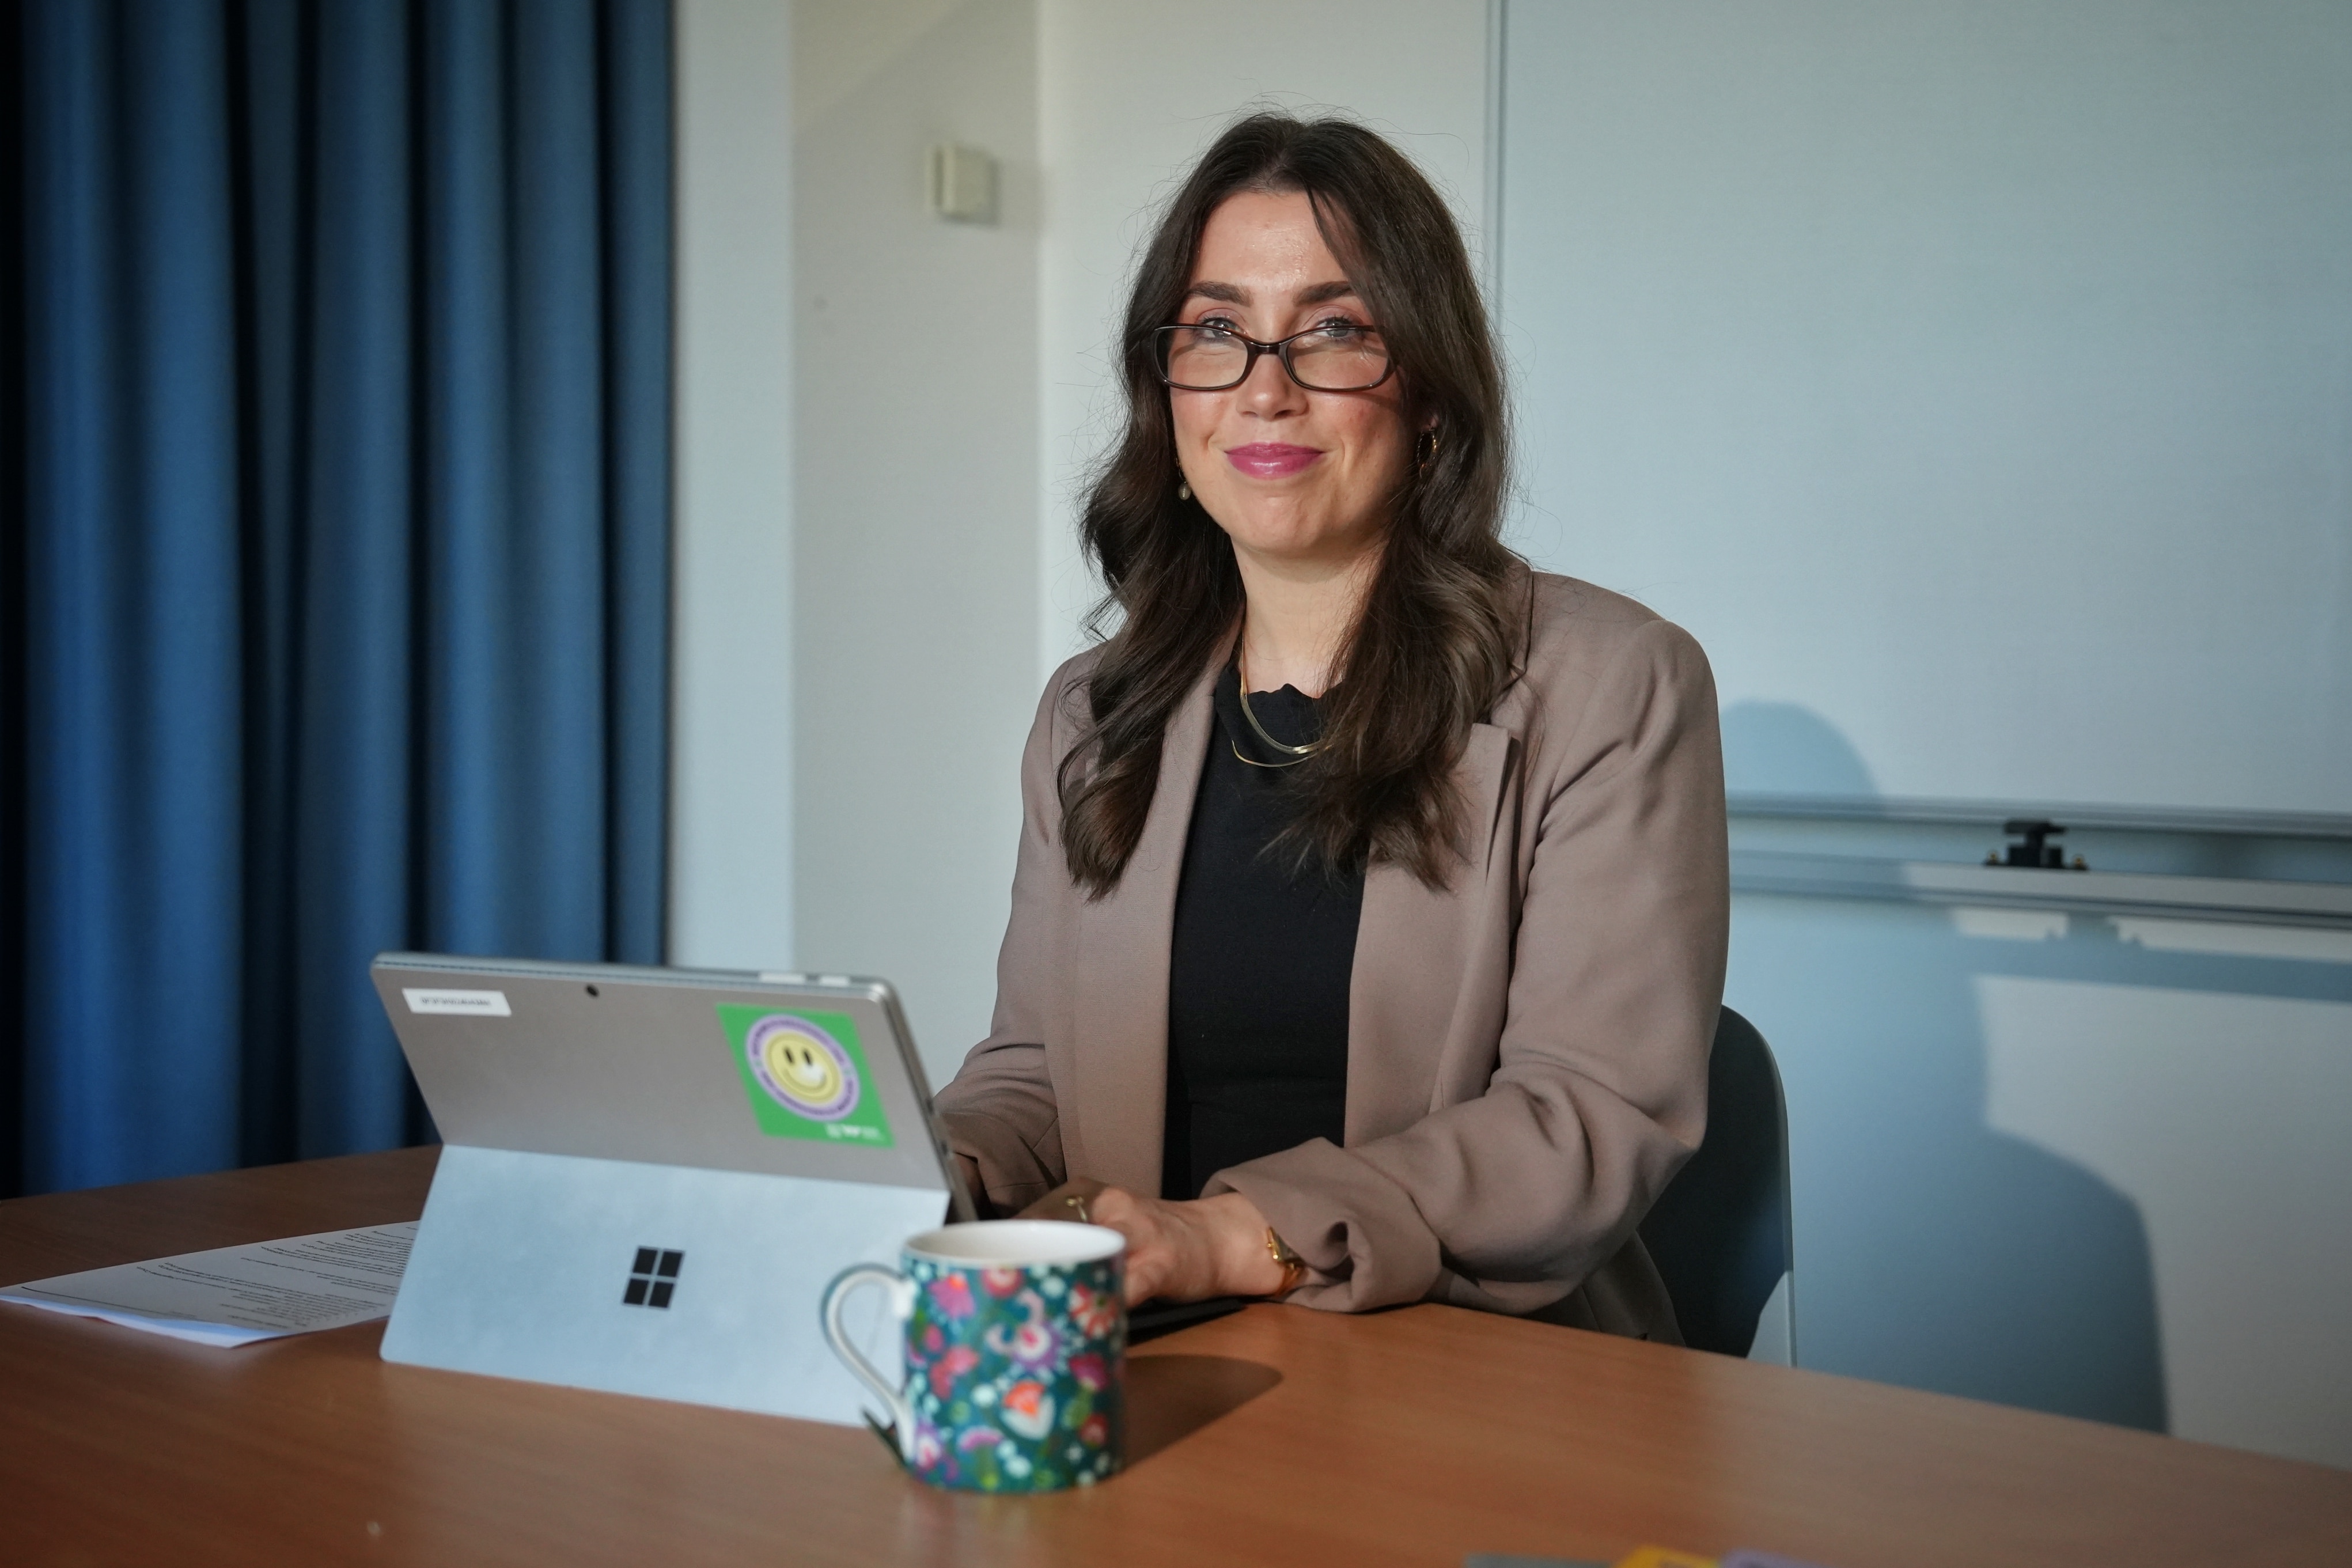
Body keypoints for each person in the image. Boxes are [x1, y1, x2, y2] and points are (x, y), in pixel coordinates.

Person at [933, 113, 1728, 1339]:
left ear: (1429, 390)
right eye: (1214, 330)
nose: (1263, 387)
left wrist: (1222, 1236)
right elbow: (1033, 1071)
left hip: (1472, 1371)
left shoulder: (1610, 682)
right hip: (1143, 1353)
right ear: (1164, 387)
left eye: (1334, 332)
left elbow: (1588, 1113)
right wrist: (919, 1169)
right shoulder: (1093, 711)